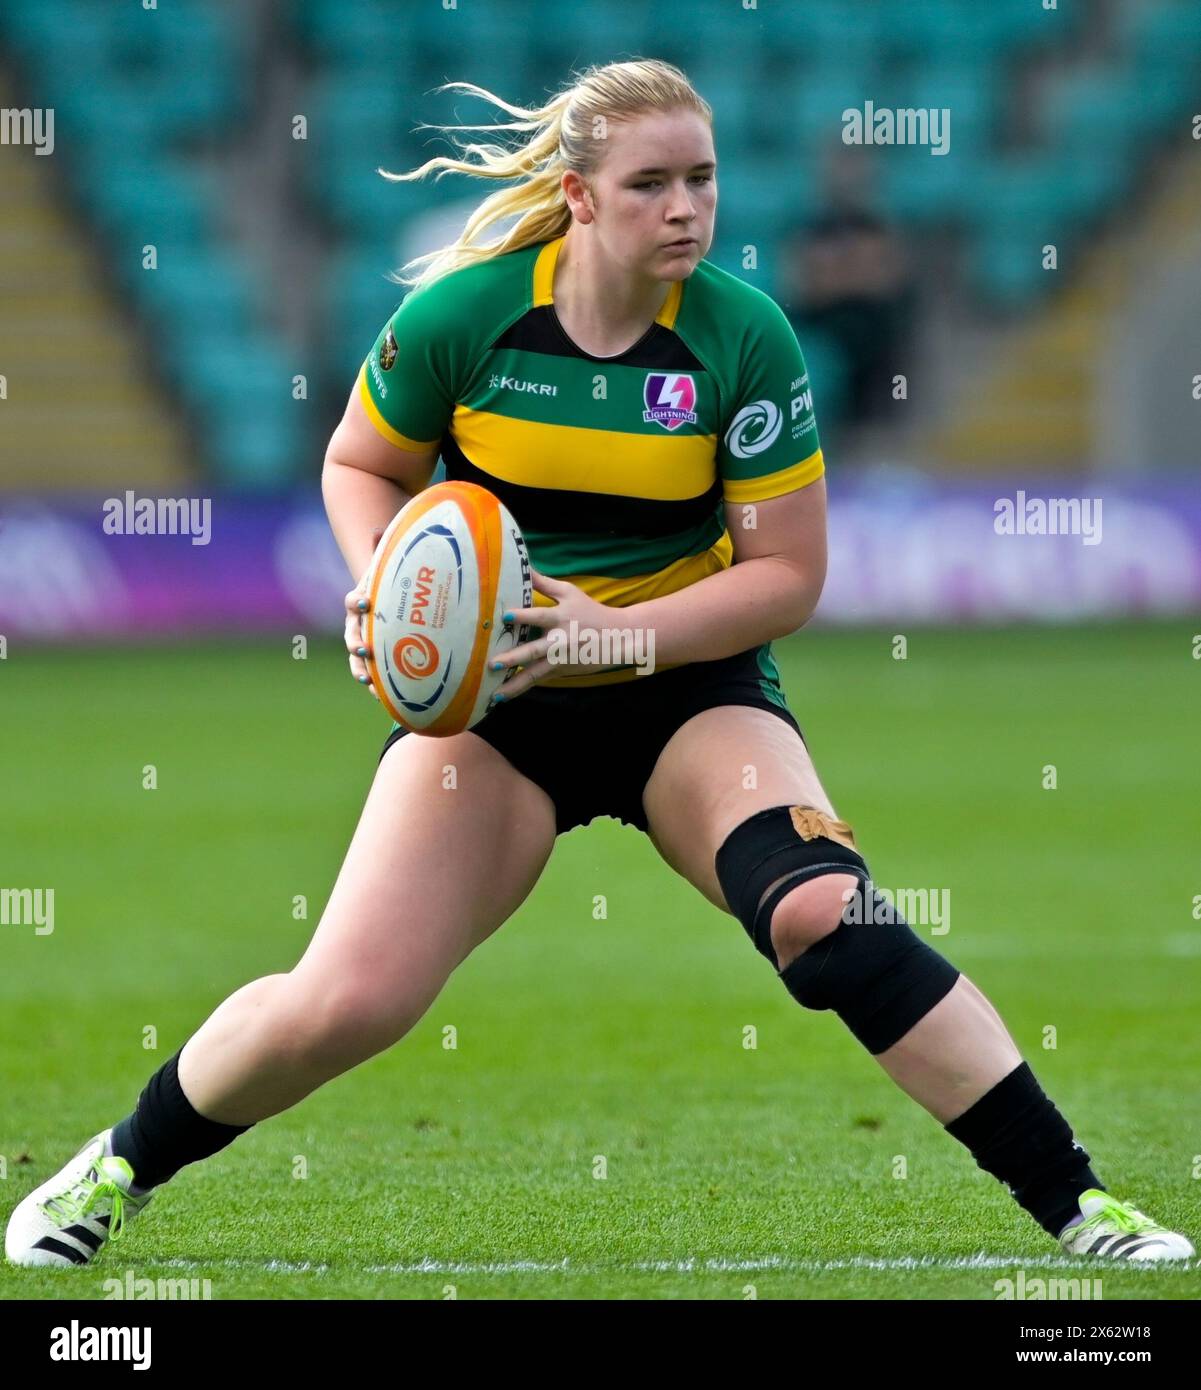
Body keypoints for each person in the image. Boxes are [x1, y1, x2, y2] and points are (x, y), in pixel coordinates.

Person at [6, 59, 1191, 1269]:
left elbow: (786, 576)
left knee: (833, 915)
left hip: (687, 694)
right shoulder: (465, 315)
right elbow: (358, 464)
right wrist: (387, 588)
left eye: (704, 179)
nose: (687, 209)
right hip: (499, 707)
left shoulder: (744, 337)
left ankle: (1080, 1206)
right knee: (347, 1000)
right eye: (652, 185)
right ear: (578, 196)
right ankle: (113, 1166)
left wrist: (616, 633)